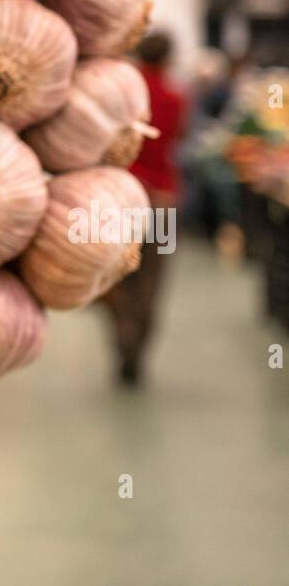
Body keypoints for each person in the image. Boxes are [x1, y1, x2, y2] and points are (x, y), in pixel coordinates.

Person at [103, 31, 187, 386]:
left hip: (123, 194)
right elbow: (177, 139)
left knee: (117, 273)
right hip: (163, 200)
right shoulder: (175, 97)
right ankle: (139, 348)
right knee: (154, 278)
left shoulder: (126, 95)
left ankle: (123, 341)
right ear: (169, 58)